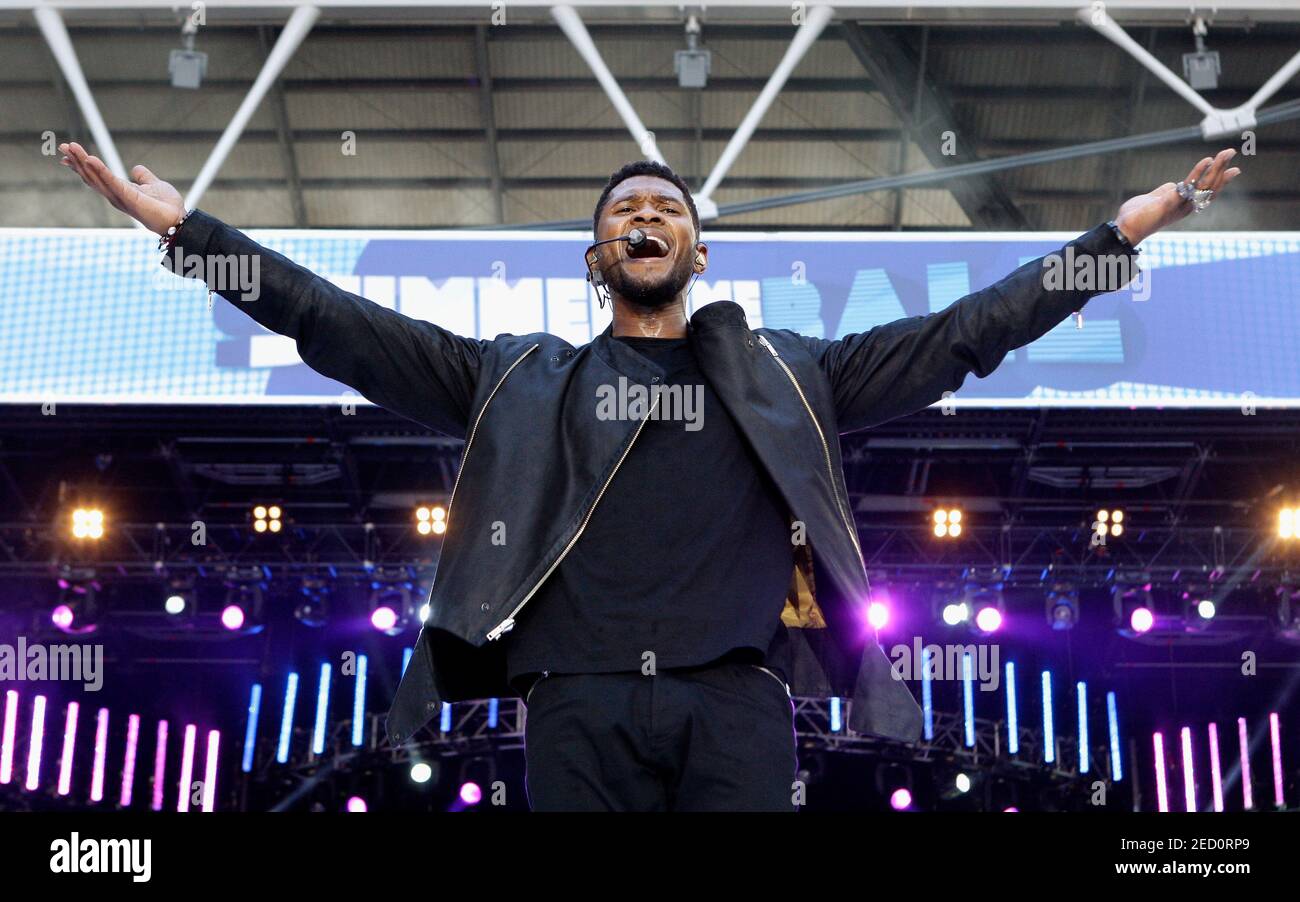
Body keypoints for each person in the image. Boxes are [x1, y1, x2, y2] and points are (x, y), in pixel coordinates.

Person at [58, 142, 1240, 811]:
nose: (644, 215)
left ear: (695, 249)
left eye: (665, 207)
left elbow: (968, 332)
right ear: (595, 254)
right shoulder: (513, 377)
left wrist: (1120, 238)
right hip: (573, 705)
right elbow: (336, 323)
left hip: (736, 703)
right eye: (624, 208)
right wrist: (188, 230)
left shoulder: (793, 372)